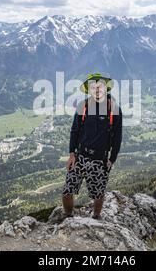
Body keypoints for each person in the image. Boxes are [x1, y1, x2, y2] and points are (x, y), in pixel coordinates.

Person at [61, 73, 122, 220]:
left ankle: (96, 217)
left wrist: (111, 159)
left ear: (105, 88)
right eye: (93, 87)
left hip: (100, 159)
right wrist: (71, 154)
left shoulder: (113, 109)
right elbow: (74, 130)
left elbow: (117, 137)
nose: (96, 89)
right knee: (67, 190)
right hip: (80, 156)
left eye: (99, 86)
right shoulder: (83, 106)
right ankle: (68, 217)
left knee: (98, 193)